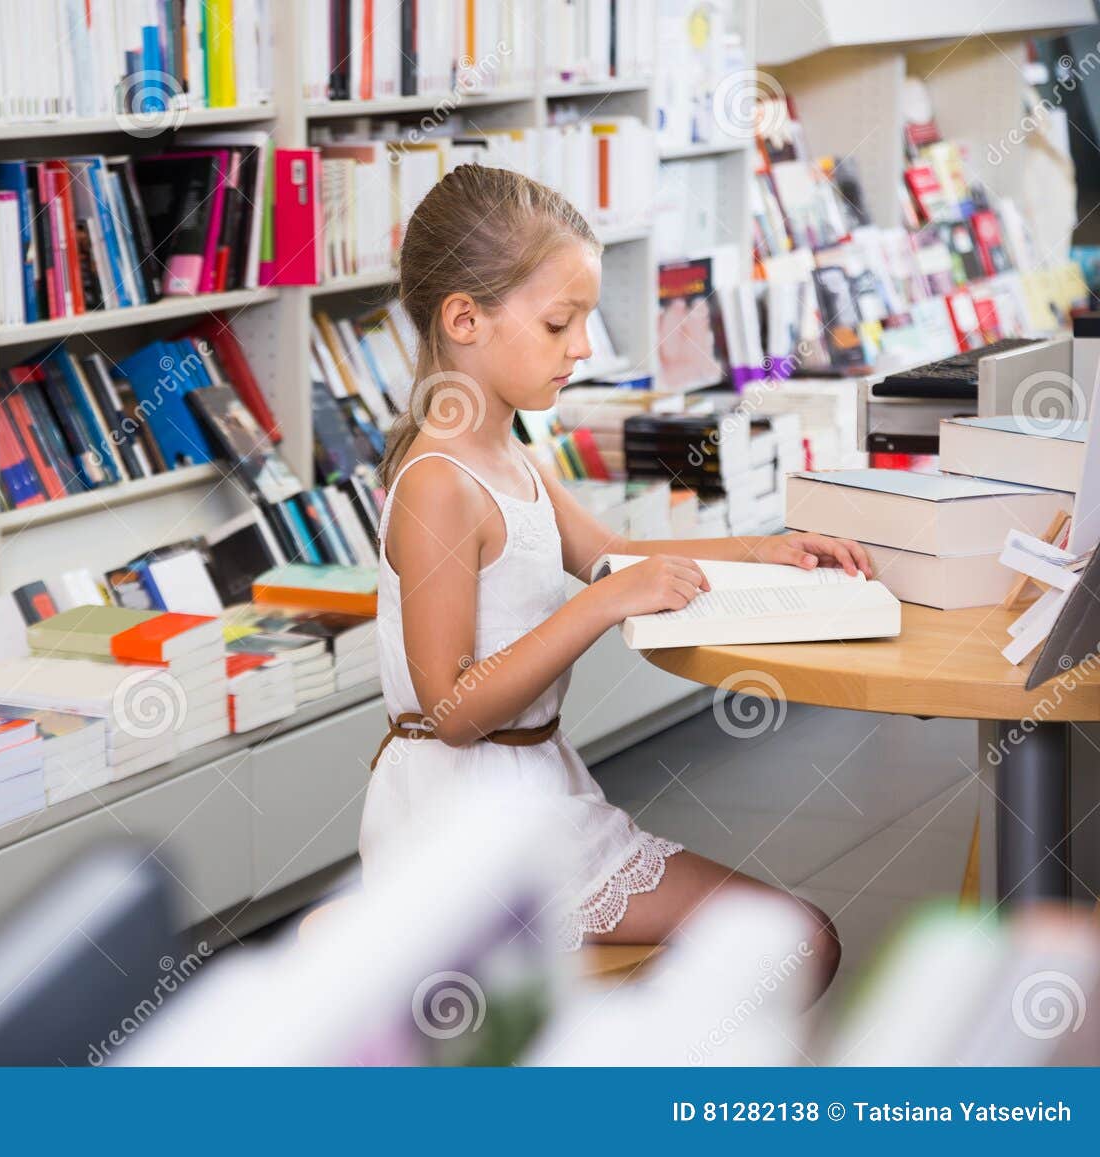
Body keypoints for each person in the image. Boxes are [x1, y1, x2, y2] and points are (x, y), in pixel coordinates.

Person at [361, 164, 866, 998]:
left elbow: (609, 553)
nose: (585, 347)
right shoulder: (439, 482)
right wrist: (599, 605)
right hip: (467, 826)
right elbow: (451, 709)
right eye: (560, 323)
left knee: (796, 939)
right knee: (796, 941)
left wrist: (762, 549)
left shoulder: (505, 450)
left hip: (535, 792)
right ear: (464, 319)